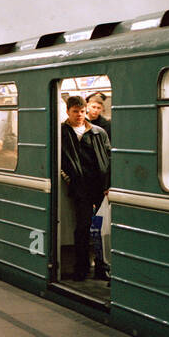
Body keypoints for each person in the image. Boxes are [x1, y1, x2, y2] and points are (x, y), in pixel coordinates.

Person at [60, 94, 111, 280]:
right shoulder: (61, 133)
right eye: (75, 112)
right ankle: (81, 267)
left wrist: (108, 185)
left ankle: (101, 266)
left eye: (82, 111)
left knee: (99, 228)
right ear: (68, 112)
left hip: (99, 187)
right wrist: (68, 180)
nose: (79, 115)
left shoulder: (98, 132)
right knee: (82, 227)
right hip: (79, 187)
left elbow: (108, 158)